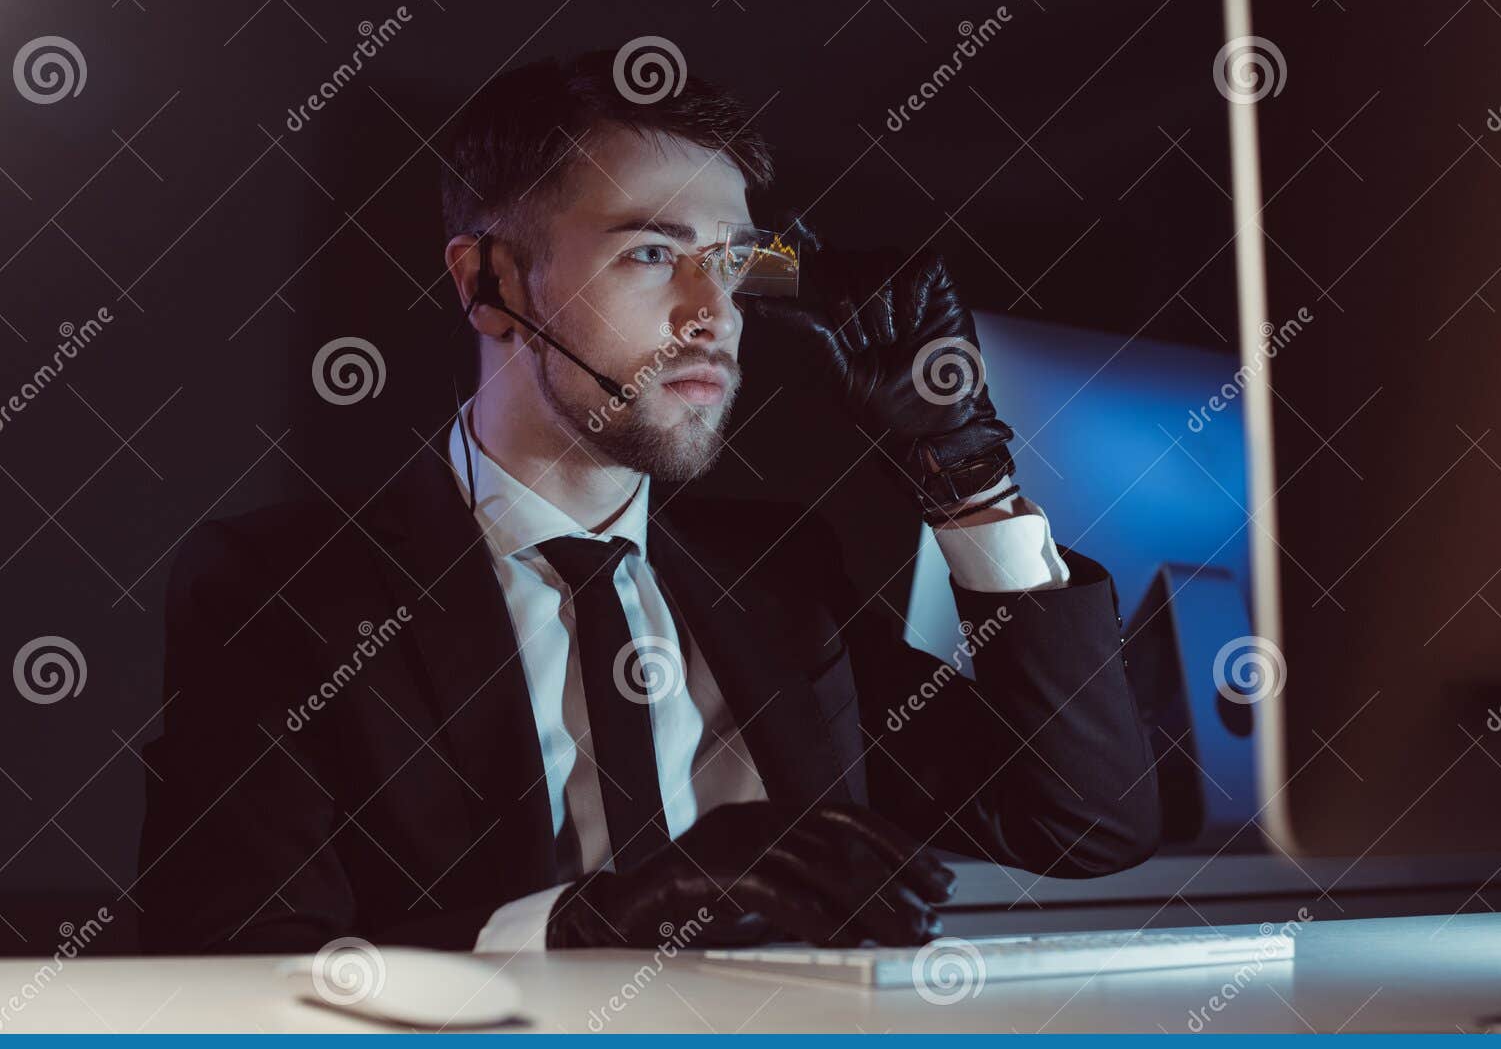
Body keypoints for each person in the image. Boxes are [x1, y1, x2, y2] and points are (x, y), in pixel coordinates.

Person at [136, 50, 1158, 956]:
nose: (712, 314)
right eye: (652, 254)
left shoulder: (777, 579)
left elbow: (1081, 826)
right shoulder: (282, 592)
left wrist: (965, 467)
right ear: (491, 283)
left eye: (732, 262)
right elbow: (233, 967)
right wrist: (584, 924)